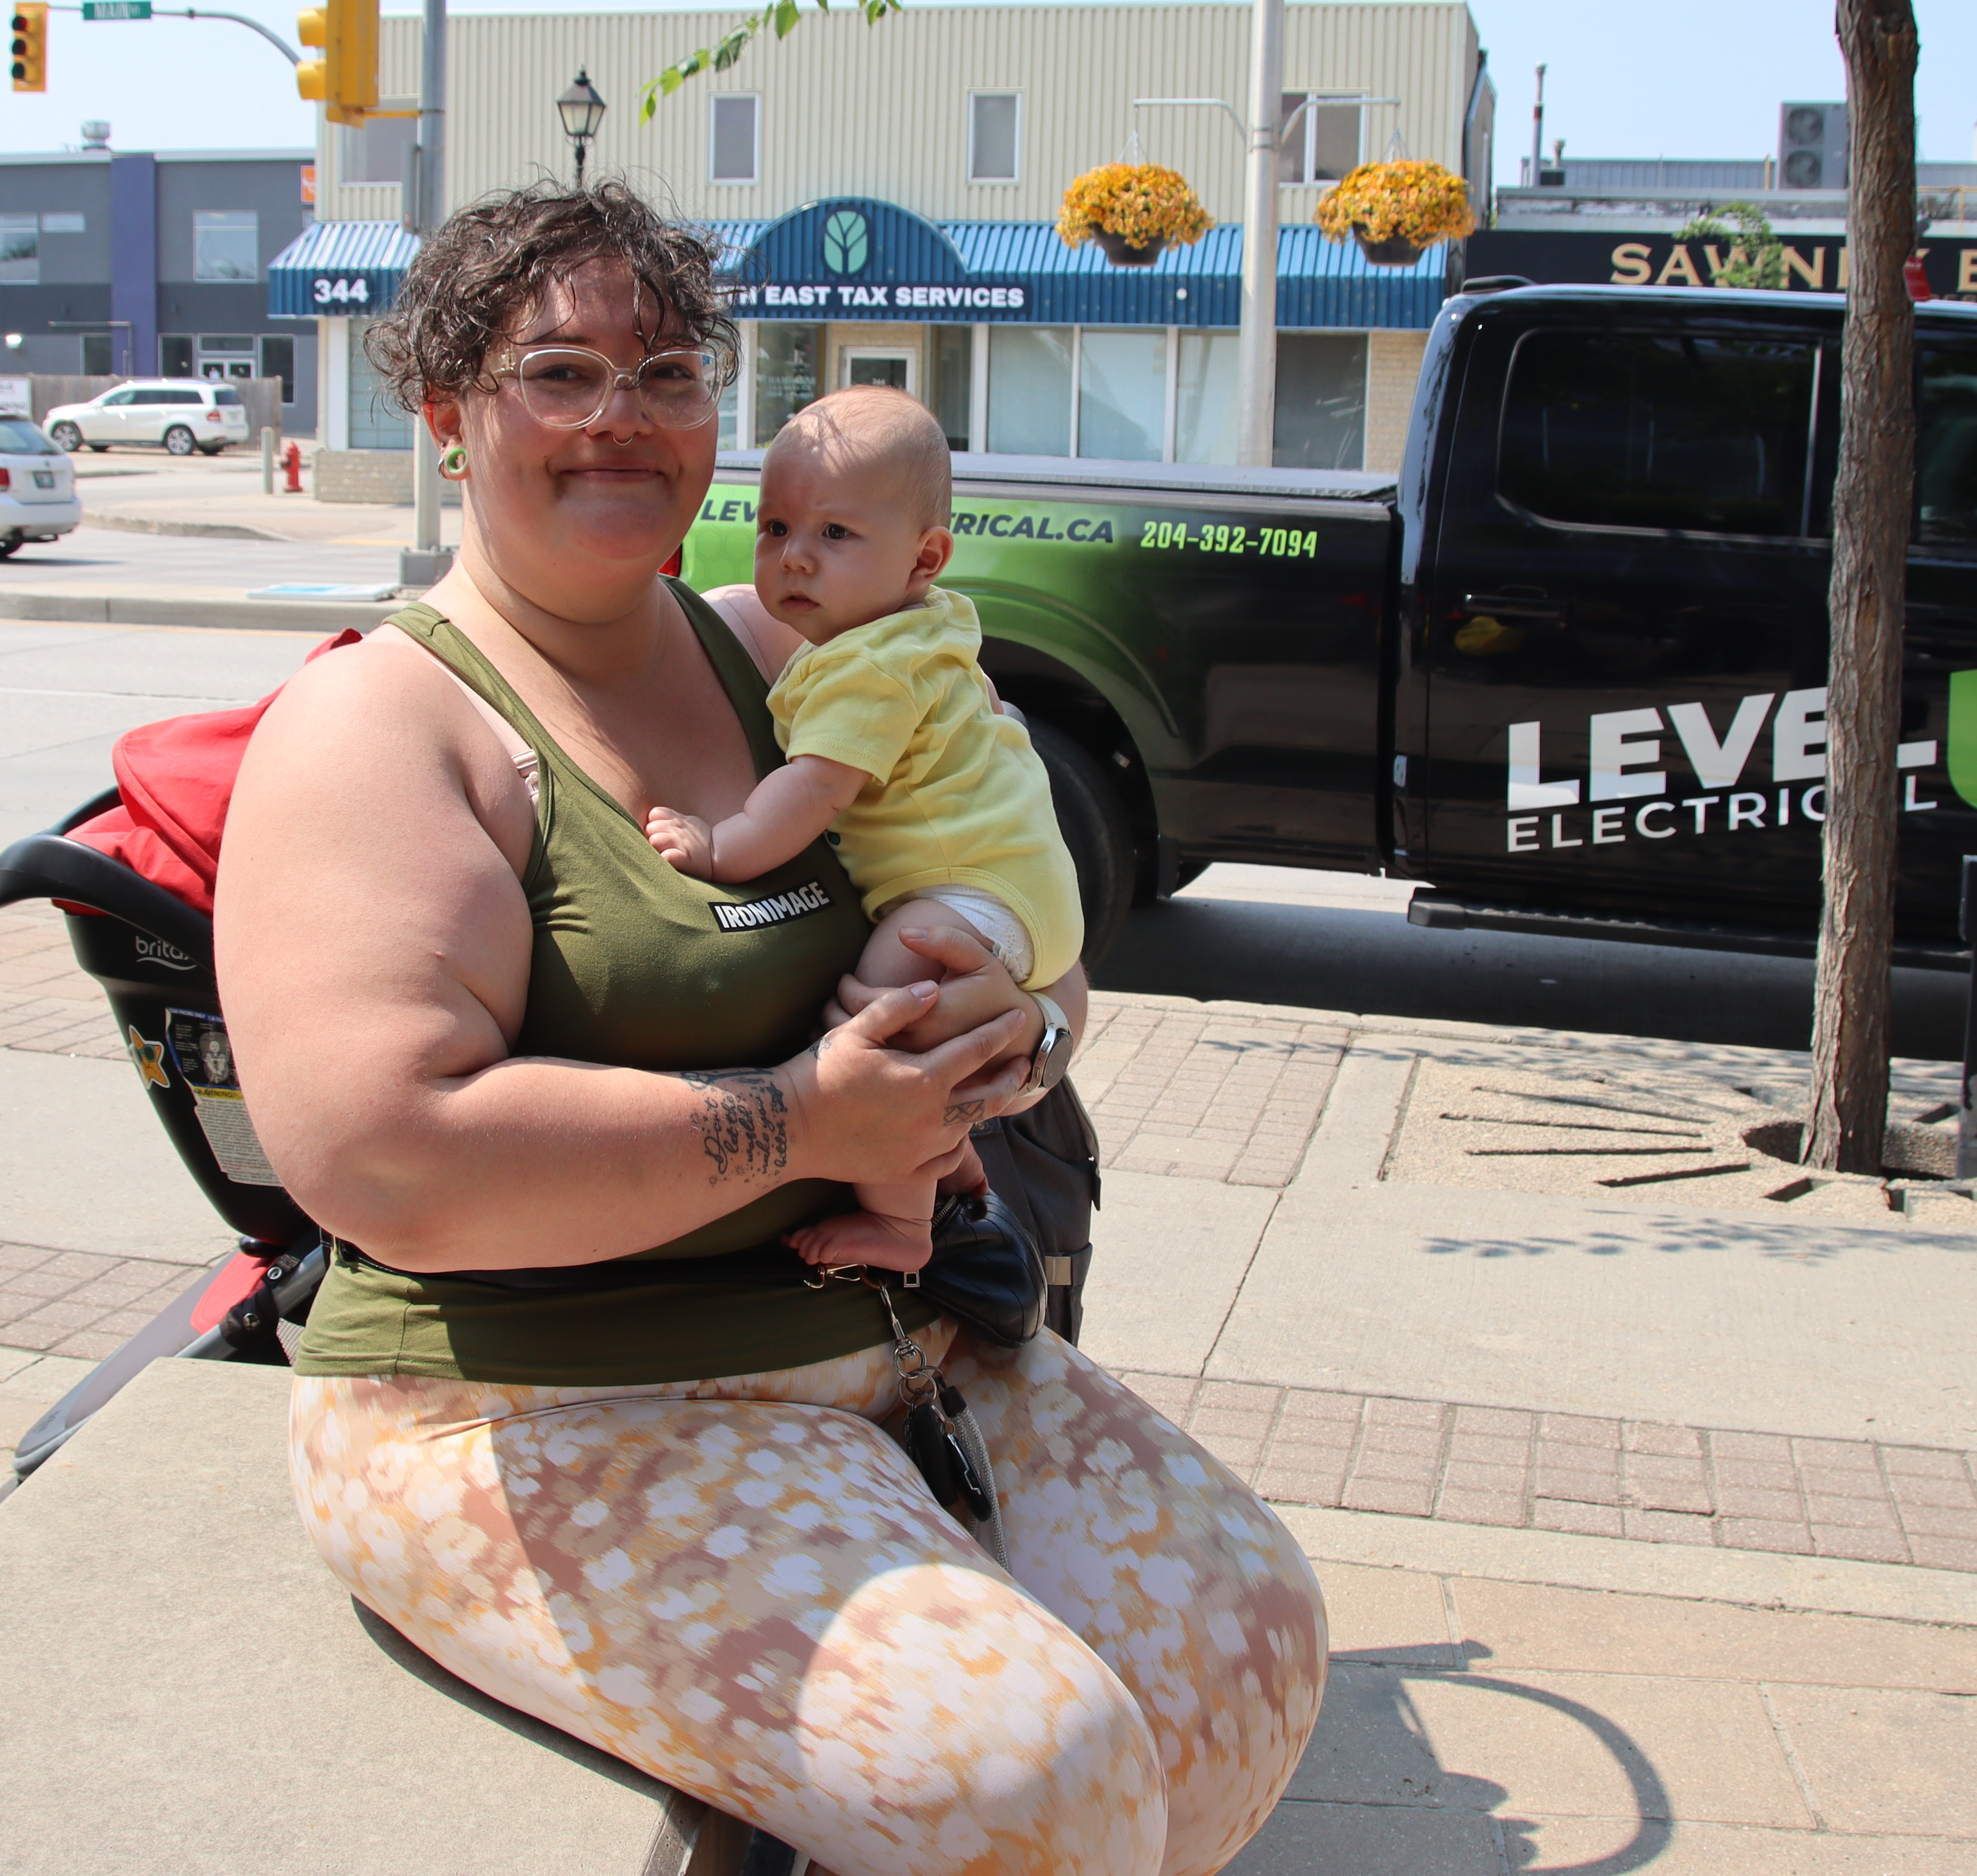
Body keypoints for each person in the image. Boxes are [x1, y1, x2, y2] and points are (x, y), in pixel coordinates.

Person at [220, 181, 1324, 1876]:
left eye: (666, 374)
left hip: (887, 1350)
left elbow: (1028, 910)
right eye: (560, 373)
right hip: (526, 1408)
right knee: (1037, 1778)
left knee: (1250, 1651)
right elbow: (388, 1155)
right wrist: (808, 1123)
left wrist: (1013, 1028)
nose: (622, 420)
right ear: (445, 411)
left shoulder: (798, 654)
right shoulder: (380, 724)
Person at [639, 386, 1084, 1274]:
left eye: (834, 535)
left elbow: (810, 793)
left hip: (971, 895)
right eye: (775, 530)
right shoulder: (922, 630)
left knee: (889, 997)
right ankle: (941, 1154)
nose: (796, 560)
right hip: (1014, 888)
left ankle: (903, 1226)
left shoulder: (863, 669)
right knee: (904, 1003)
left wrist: (721, 847)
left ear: (924, 558)